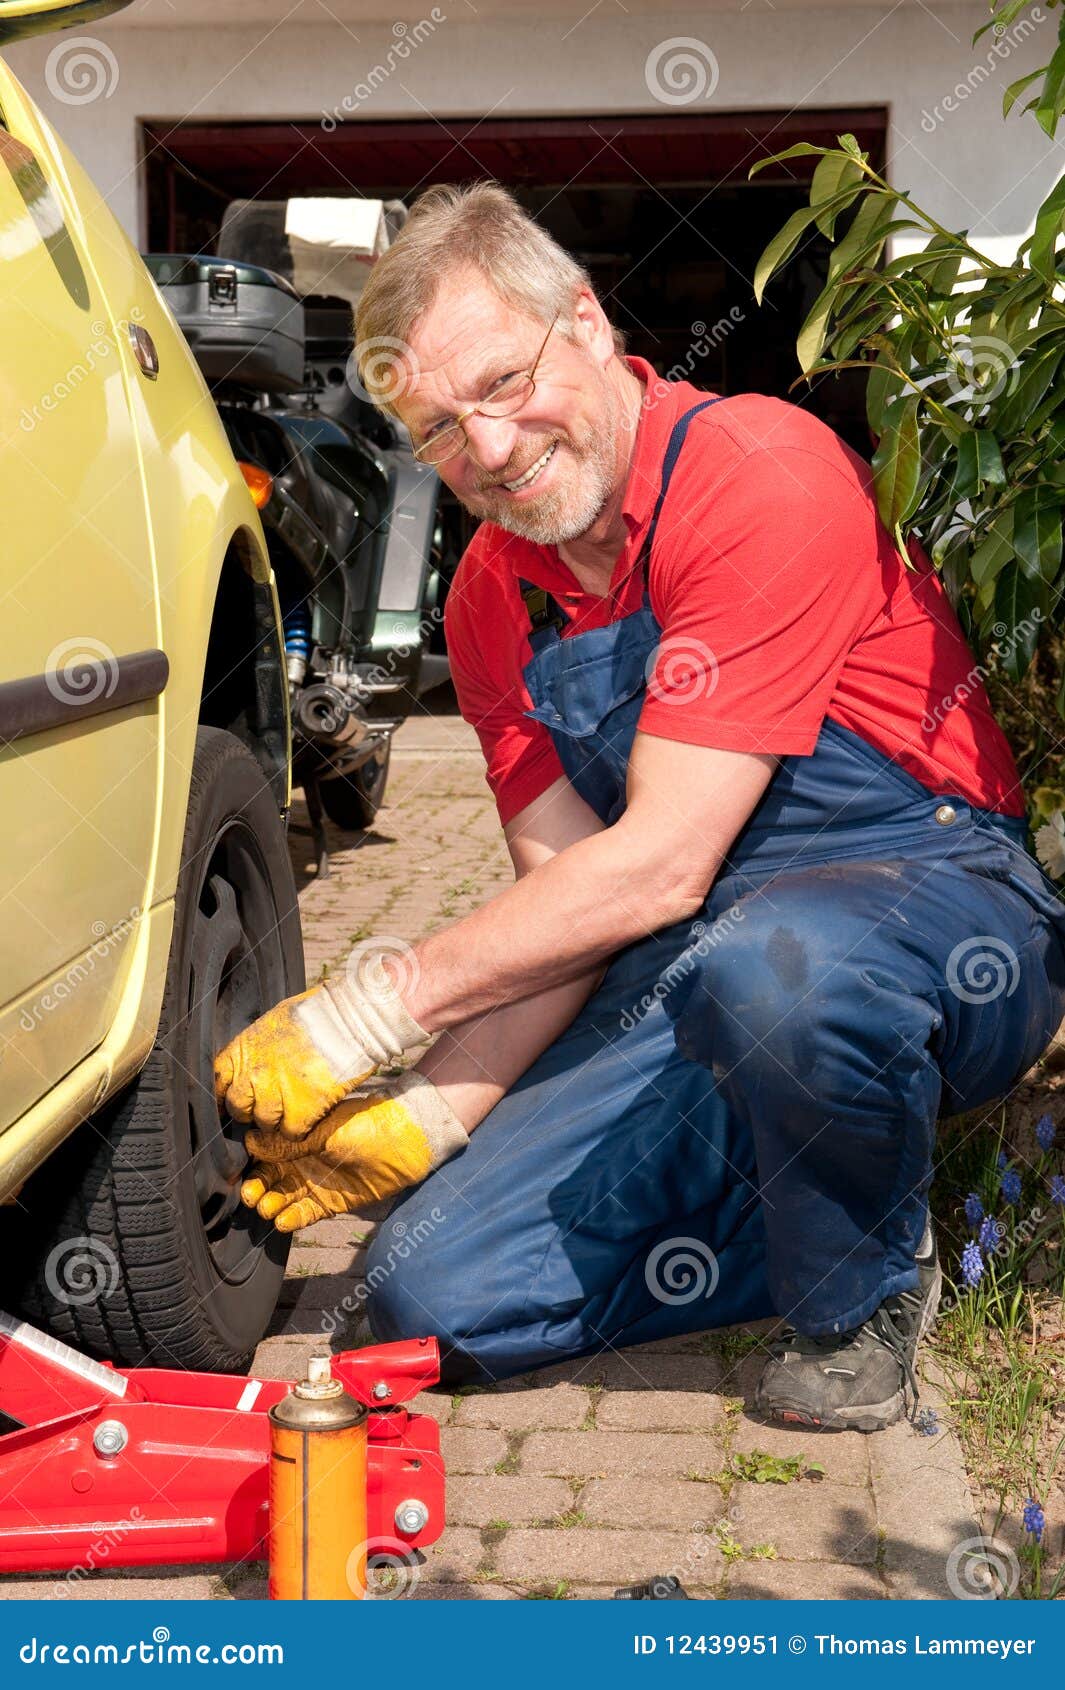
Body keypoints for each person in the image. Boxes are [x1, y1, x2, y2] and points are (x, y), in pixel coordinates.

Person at [215, 182, 1065, 1431]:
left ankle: (862, 1283)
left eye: (503, 384)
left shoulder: (757, 473)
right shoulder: (493, 604)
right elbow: (582, 903)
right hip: (694, 958)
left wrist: (366, 1014)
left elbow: (658, 863)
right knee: (419, 1297)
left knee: (779, 972)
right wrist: (433, 1109)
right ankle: (805, 1178)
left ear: (590, 325)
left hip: (924, 899)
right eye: (440, 430)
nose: (489, 452)